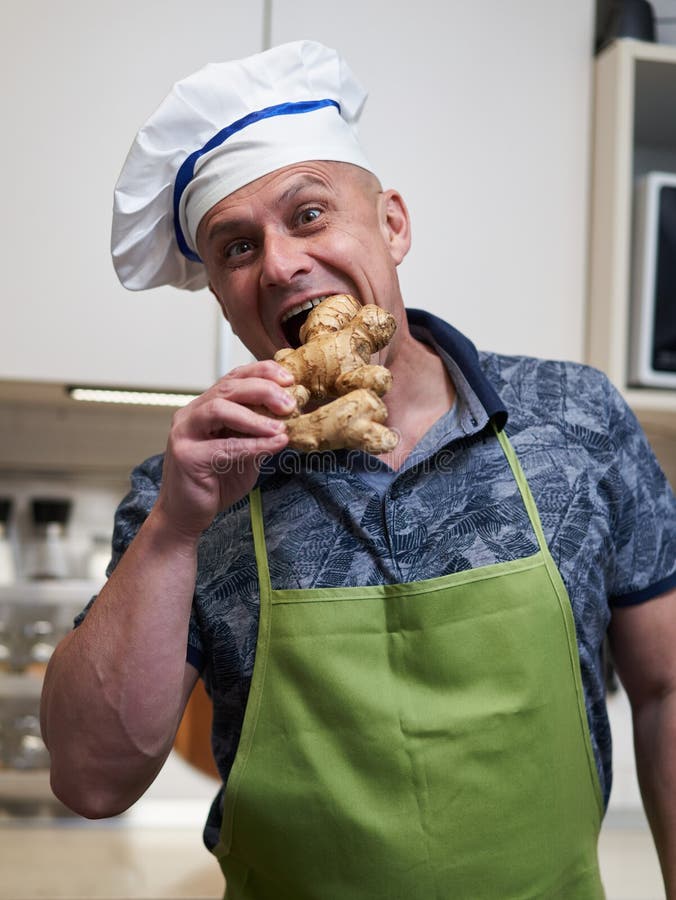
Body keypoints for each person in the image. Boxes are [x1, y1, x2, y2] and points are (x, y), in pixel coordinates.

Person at [40, 40, 676, 899]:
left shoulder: (575, 420)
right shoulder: (184, 491)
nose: (278, 263)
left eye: (307, 215)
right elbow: (89, 780)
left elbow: (668, 688)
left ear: (394, 224)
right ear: (223, 296)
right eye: (235, 248)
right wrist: (175, 530)